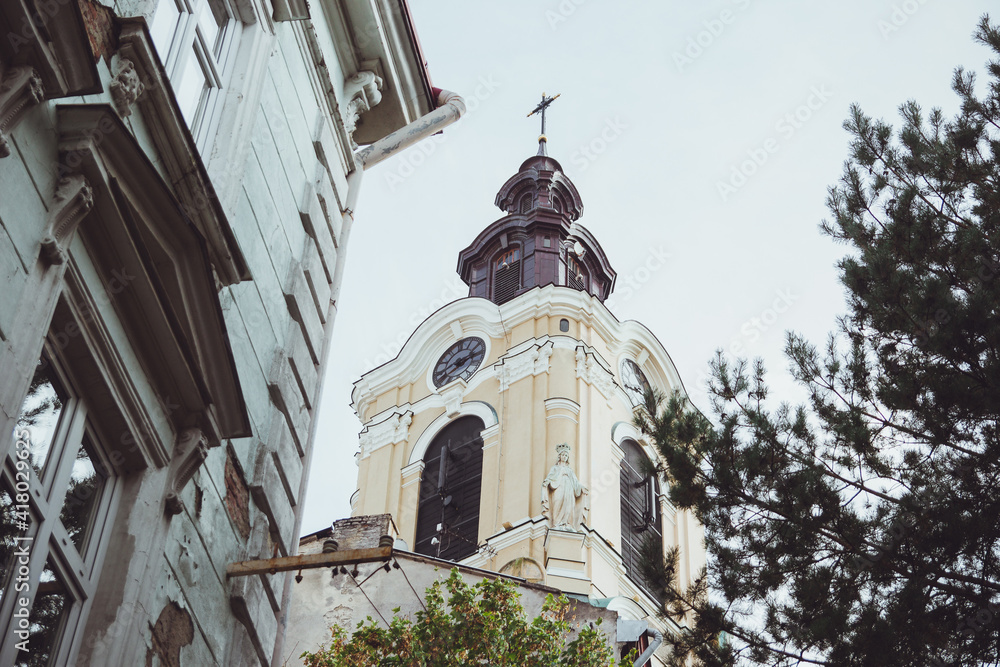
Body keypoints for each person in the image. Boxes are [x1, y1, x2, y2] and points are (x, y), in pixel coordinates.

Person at [542, 444, 585, 530]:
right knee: (557, 502)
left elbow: (576, 483)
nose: (564, 457)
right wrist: (547, 482)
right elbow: (550, 478)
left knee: (569, 505)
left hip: (569, 489)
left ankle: (568, 524)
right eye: (563, 455)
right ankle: (557, 523)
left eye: (566, 455)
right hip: (559, 487)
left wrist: (582, 487)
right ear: (560, 456)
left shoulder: (570, 470)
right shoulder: (555, 468)